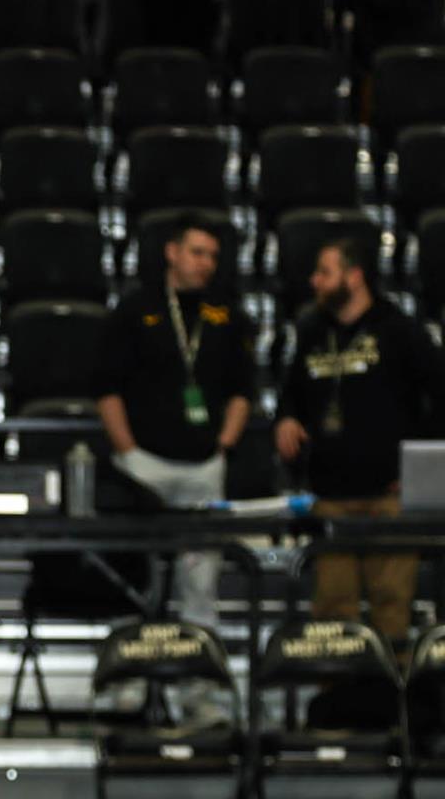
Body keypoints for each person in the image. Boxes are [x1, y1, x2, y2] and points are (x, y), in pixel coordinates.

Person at [276, 239, 445, 645]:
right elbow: (291, 392)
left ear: (354, 276)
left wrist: (417, 467)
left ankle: (392, 681)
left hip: (388, 495)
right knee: (333, 610)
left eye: (325, 272)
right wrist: (287, 419)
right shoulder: (313, 331)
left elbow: (440, 394)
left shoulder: (399, 329)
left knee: (391, 604)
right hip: (331, 494)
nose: (314, 281)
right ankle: (340, 683)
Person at [96, 223, 255, 624]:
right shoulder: (136, 308)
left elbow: (243, 390)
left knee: (201, 581)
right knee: (135, 575)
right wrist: (127, 450)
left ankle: (198, 660)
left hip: (203, 466)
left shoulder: (227, 313)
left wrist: (224, 446)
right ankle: (131, 657)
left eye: (213, 256)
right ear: (172, 252)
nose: (206, 263)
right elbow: (106, 387)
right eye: (197, 252)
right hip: (144, 463)